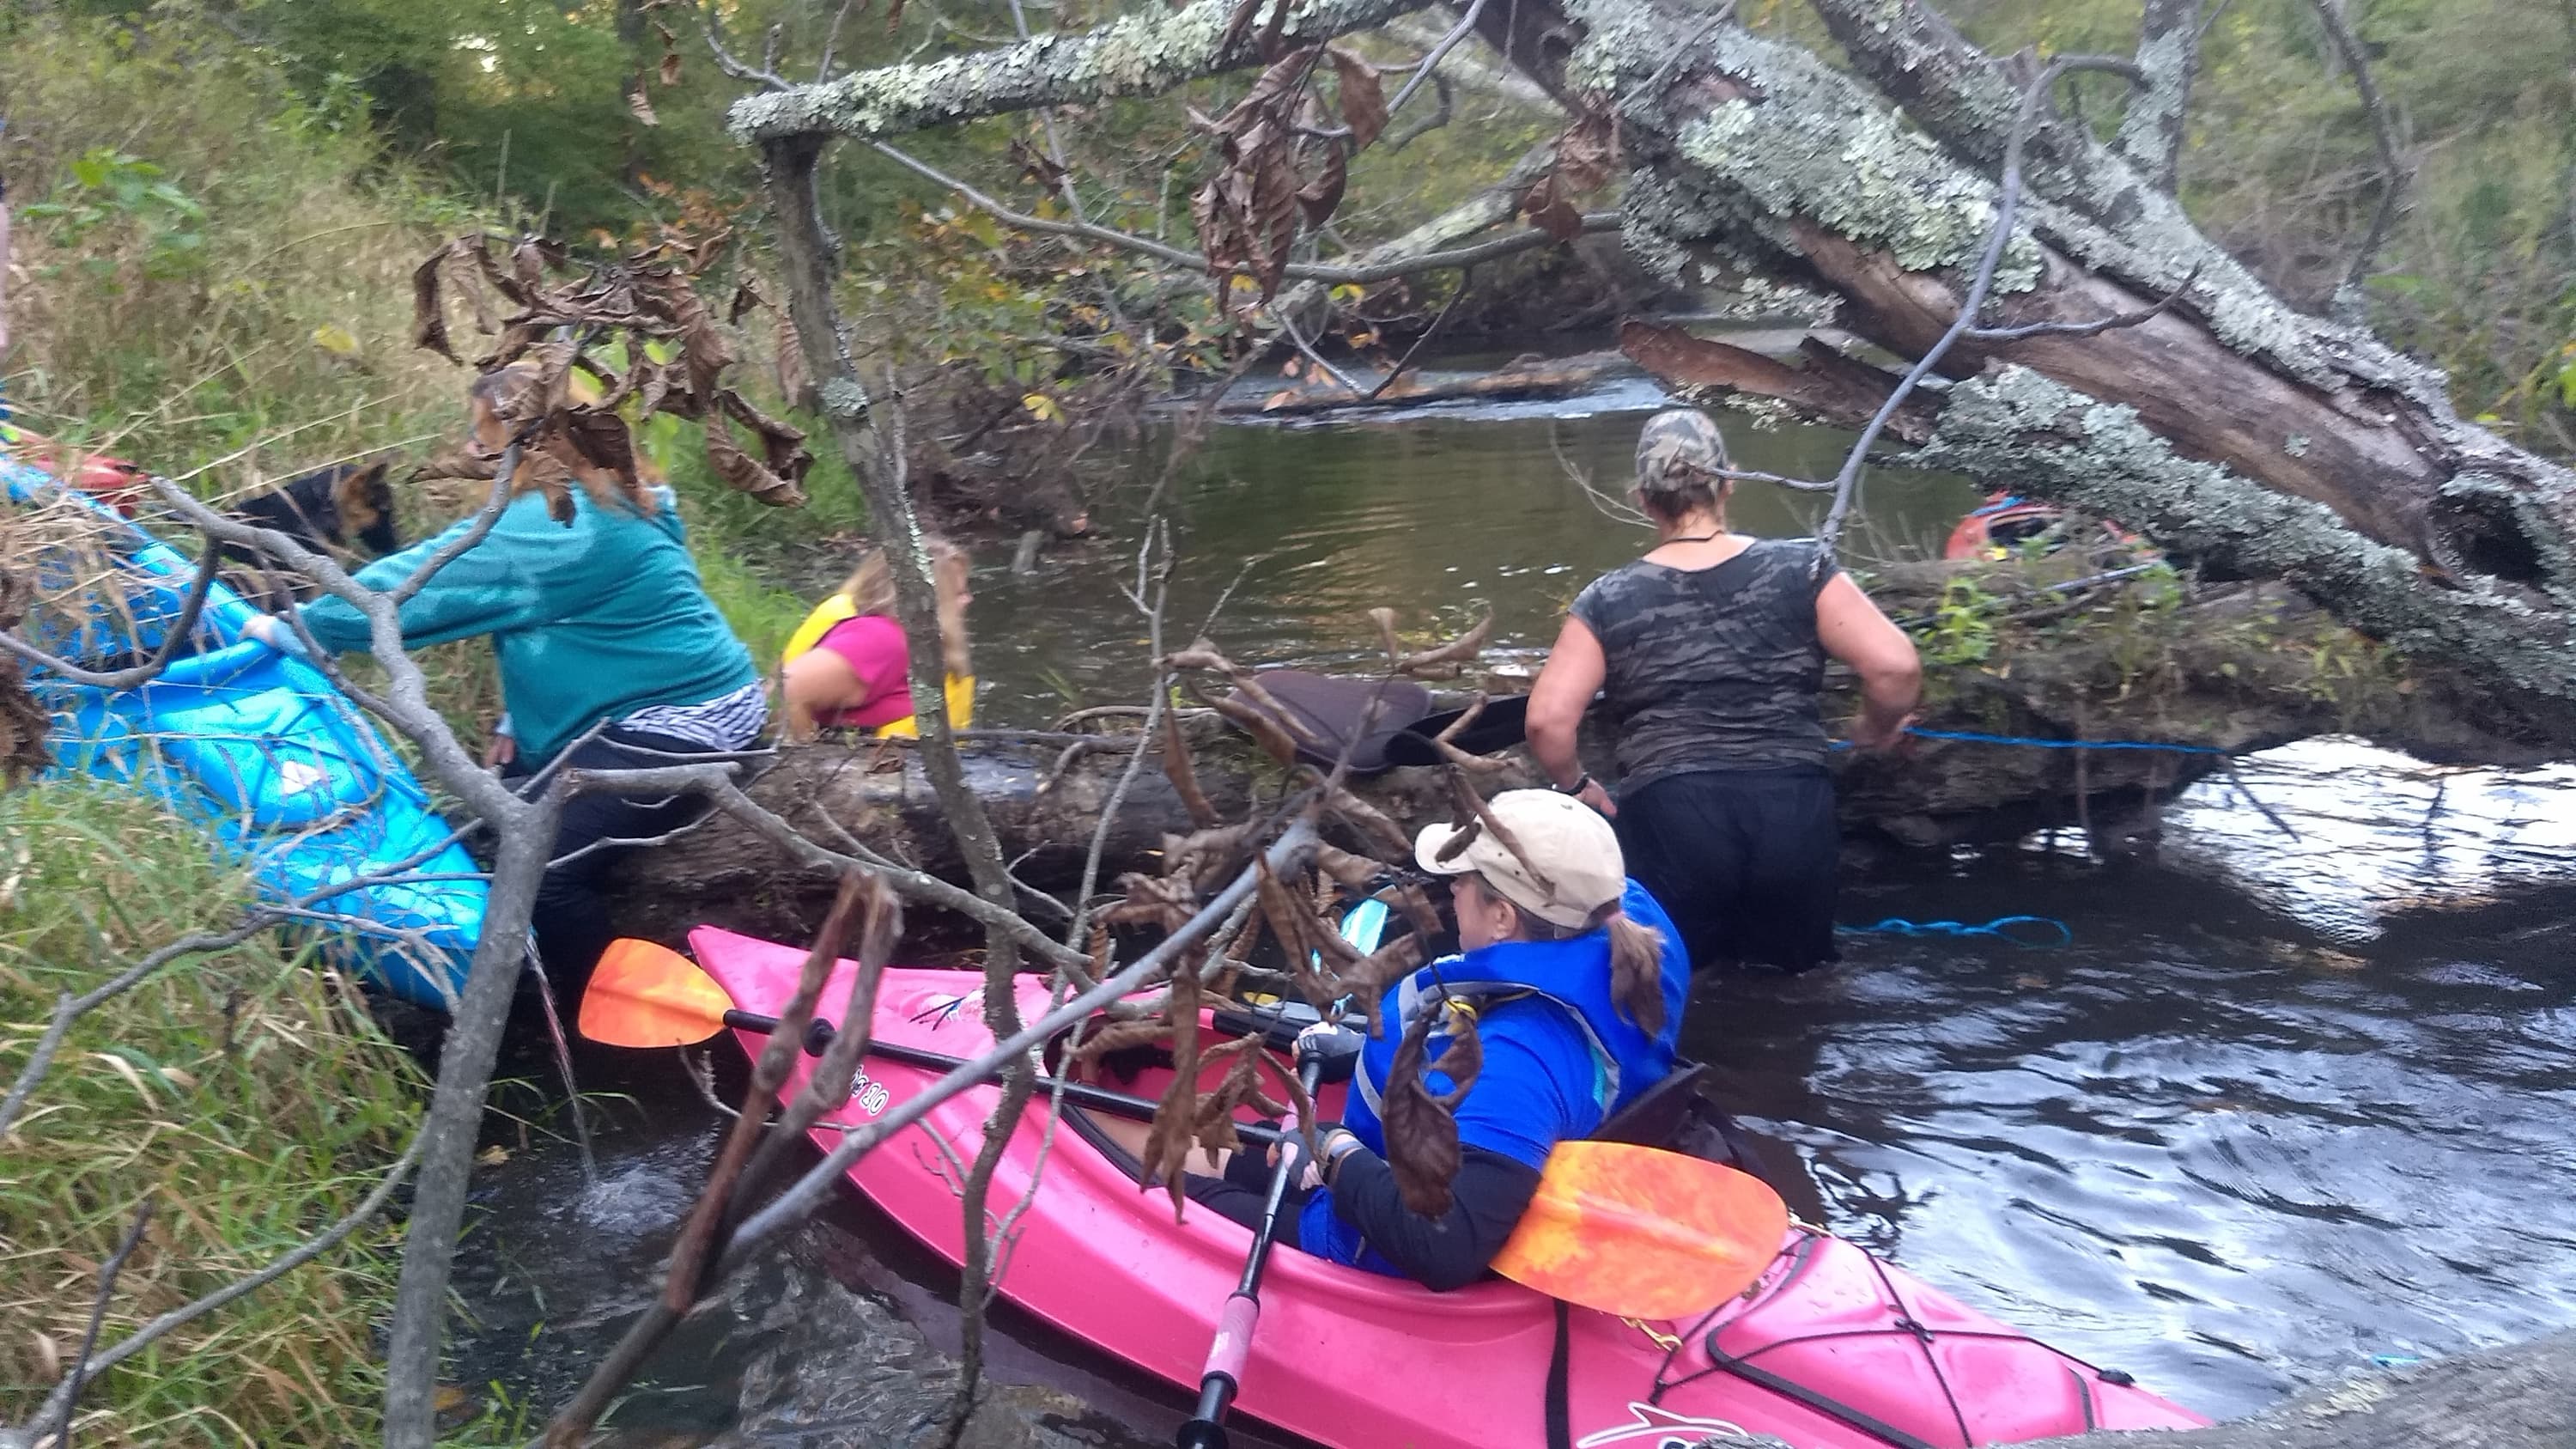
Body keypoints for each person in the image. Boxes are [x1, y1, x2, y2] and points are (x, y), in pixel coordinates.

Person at [253, 364, 765, 984]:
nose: (472, 449)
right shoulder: (613, 492)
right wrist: (514, 719)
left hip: (682, 725)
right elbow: (590, 621)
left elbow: (415, 586)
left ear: (530, 442)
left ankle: (590, 1012)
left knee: (538, 869)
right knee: (484, 812)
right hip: (693, 699)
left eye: (484, 435)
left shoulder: (556, 522)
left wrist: (296, 627)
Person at [1176, 790, 1691, 1291]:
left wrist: (1336, 1153)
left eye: (1463, 880)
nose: (1453, 891)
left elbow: (1445, 1244)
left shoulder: (1518, 1058)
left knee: (1177, 1193)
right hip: (1430, 1162)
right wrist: (1375, 1056)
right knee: (1221, 1148)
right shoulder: (1623, 940)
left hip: (1376, 1249)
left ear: (1502, 918)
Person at [1524, 408, 1922, 974]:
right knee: (1799, 989)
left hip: (1673, 815)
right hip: (1791, 808)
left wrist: (1577, 784)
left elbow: (1547, 722)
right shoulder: (1801, 568)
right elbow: (1896, 668)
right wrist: (1873, 729)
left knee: (1683, 989)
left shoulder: (1608, 598)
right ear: (1728, 483)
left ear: (1643, 499)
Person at [778, 538, 975, 740]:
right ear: (926, 597)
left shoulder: (914, 639)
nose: (969, 599)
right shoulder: (881, 639)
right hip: (855, 760)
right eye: (958, 593)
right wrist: (809, 753)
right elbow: (789, 690)